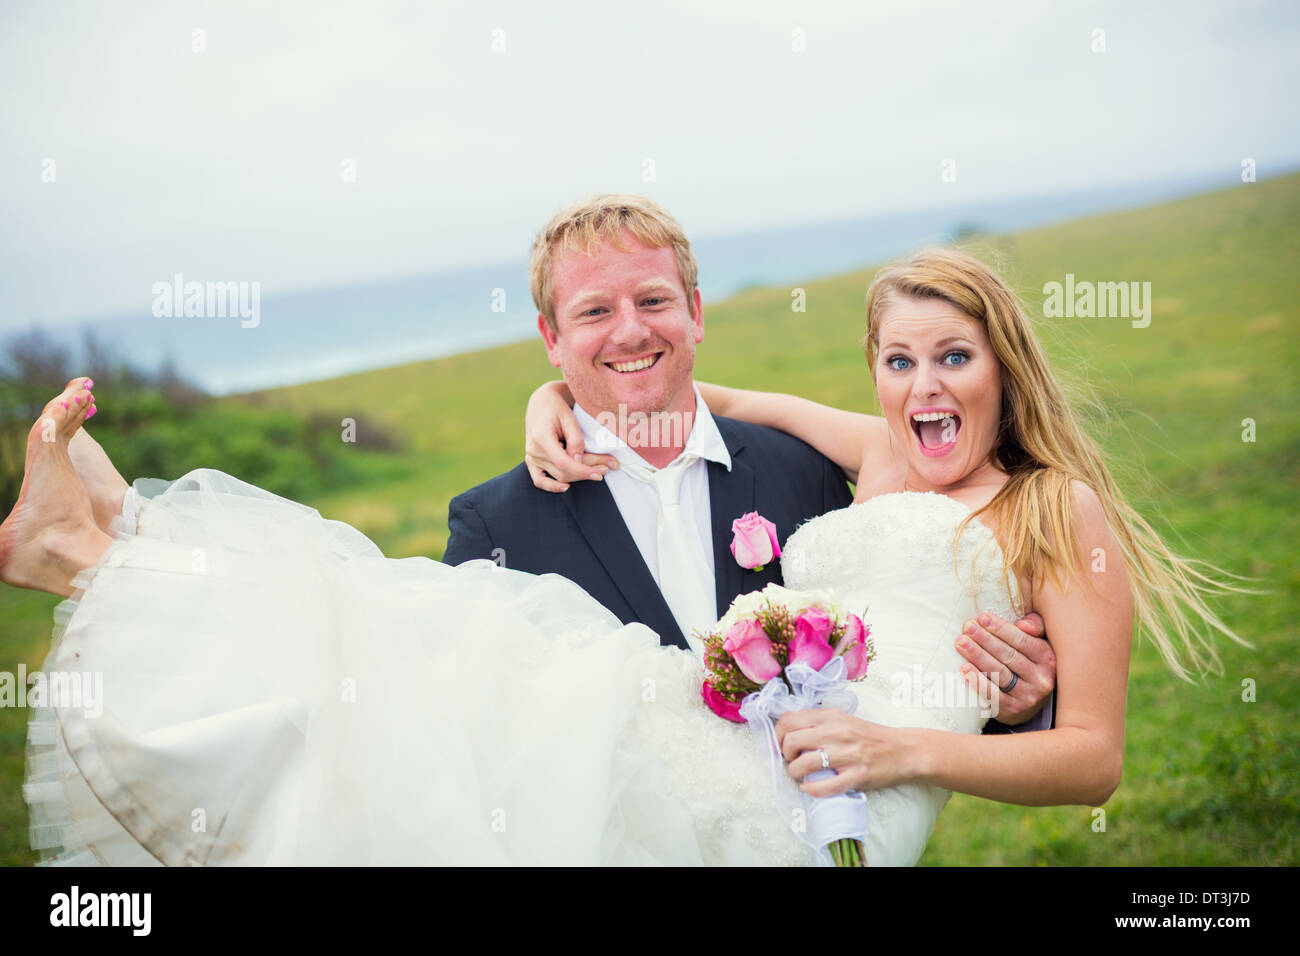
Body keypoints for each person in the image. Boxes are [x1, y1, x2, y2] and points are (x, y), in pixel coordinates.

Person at [1, 247, 1240, 867]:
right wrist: (557, 395)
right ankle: (110, 551)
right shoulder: (878, 455)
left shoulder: (1051, 507)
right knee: (436, 656)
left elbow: (1092, 759)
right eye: (899, 359)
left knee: (468, 669)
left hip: (820, 793)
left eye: (953, 357)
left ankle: (103, 550)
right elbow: (705, 392)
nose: (923, 384)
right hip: (732, 740)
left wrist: (919, 743)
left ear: (1002, 366)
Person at [446, 195, 1056, 730]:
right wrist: (553, 396)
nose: (630, 332)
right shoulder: (495, 529)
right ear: (551, 338)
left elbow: (894, 658)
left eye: (654, 300)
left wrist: (1016, 705)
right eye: (594, 311)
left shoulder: (806, 469)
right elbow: (484, 738)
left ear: (696, 313)